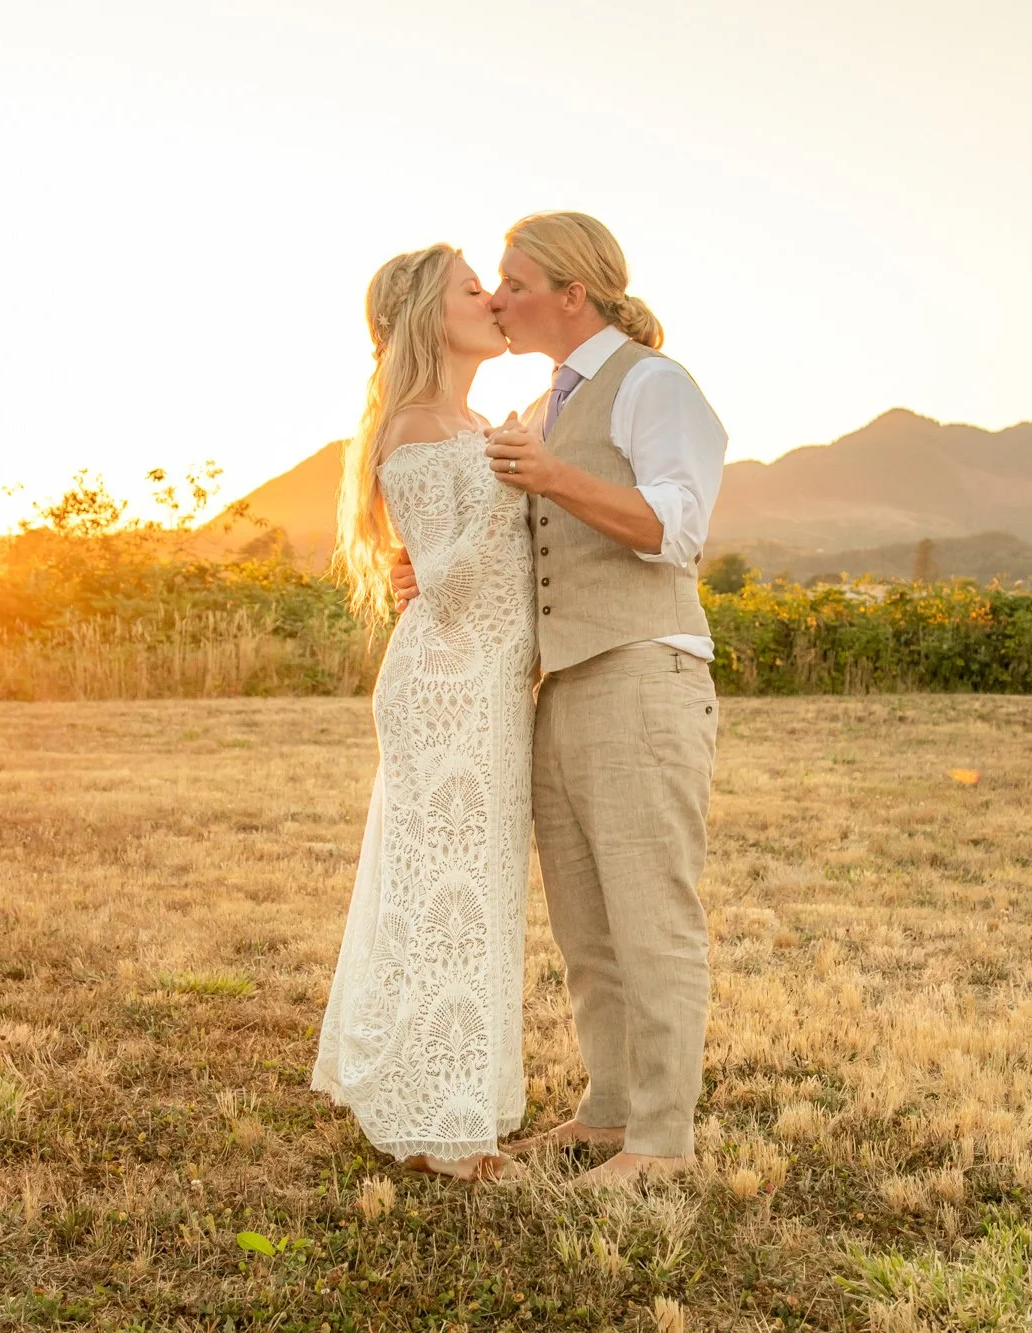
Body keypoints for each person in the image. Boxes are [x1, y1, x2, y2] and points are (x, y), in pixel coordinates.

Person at [392, 211, 727, 1185]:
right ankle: (608, 1110)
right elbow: (516, 535)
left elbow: (675, 529)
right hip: (560, 682)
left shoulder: (653, 386)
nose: (496, 297)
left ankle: (660, 1140)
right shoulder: (545, 406)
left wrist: (553, 474)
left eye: (513, 279)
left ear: (570, 293)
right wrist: (427, 569)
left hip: (642, 669)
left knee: (649, 913)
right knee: (585, 920)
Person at [310, 243, 535, 1182]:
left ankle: (450, 1095)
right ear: (423, 316)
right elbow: (439, 584)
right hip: (444, 685)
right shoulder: (412, 426)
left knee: (478, 897)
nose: (491, 298)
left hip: (493, 685)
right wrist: (509, 479)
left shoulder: (478, 421)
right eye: (470, 287)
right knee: (446, 893)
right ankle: (447, 1133)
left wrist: (512, 462)